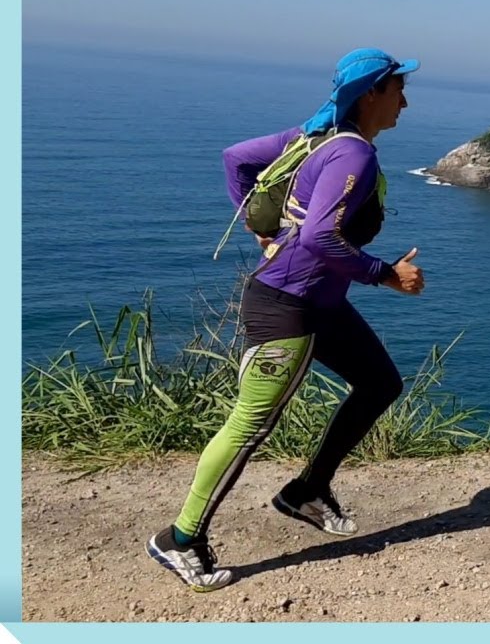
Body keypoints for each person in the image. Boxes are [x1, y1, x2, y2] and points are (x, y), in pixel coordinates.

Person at [146, 48, 426, 592]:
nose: (405, 101)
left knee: (379, 383)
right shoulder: (352, 156)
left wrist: (263, 230)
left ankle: (307, 491)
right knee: (250, 424)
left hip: (317, 301)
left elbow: (236, 159)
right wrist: (385, 274)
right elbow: (321, 236)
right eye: (398, 89)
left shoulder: (313, 136)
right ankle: (179, 539)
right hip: (287, 306)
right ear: (371, 93)